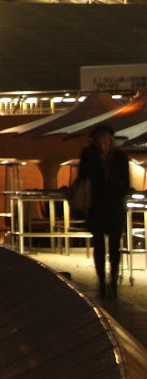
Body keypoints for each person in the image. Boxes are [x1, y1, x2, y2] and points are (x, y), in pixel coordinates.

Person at [75, 123, 131, 297]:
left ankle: (113, 281)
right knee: (99, 244)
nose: (102, 145)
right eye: (100, 142)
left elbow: (125, 182)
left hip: (114, 205)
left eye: (105, 142)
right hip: (97, 205)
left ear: (111, 141)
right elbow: (82, 177)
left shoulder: (120, 157)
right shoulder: (89, 156)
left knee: (114, 246)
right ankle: (102, 282)